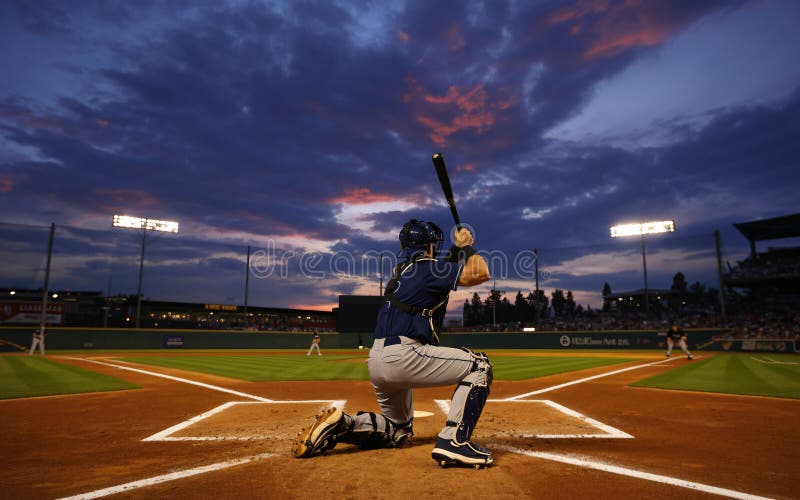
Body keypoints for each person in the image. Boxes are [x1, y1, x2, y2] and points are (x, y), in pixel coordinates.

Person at [292, 219, 493, 467]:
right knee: (480, 365)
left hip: (377, 360)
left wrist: (456, 248)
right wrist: (468, 247)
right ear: (430, 246)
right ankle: (454, 441)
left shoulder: (404, 272)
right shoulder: (427, 269)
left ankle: (343, 424)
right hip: (405, 356)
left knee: (397, 429)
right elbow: (480, 272)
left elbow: (439, 272)